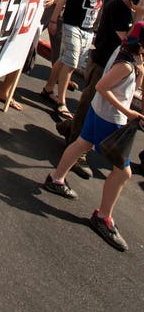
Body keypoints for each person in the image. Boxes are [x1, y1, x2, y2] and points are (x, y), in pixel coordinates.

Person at [42, 22, 144, 252]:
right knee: (123, 172)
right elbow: (101, 86)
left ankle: (56, 179)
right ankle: (103, 217)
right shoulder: (126, 65)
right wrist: (128, 112)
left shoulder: (125, 53)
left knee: (82, 143)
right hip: (111, 118)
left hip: (100, 111)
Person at [58, 0, 144, 178]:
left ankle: (70, 129)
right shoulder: (119, 8)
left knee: (91, 107)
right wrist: (139, 15)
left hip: (115, 68)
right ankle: (76, 148)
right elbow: (129, 40)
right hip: (103, 63)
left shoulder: (132, 10)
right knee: (88, 104)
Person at [43, 0, 113, 119]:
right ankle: (61, 102)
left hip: (88, 29)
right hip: (71, 24)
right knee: (71, 63)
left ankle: (48, 88)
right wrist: (53, 20)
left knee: (65, 60)